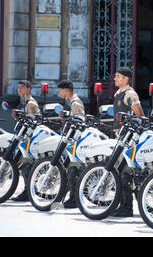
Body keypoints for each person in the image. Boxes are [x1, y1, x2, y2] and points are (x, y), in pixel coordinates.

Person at [112, 66, 144, 217]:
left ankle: (127, 207)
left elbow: (139, 115)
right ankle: (121, 205)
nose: (114, 78)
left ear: (125, 78)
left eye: (117, 76)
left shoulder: (129, 94)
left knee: (125, 174)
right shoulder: (118, 93)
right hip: (119, 137)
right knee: (118, 172)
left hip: (127, 140)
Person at [56, 80, 85, 208]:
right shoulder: (69, 102)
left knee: (73, 170)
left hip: (74, 141)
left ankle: (74, 199)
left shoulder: (75, 103)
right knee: (68, 168)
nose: (59, 93)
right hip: (69, 140)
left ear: (66, 90)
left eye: (60, 90)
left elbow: (80, 122)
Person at [12, 80, 41, 201]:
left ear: (28, 89)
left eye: (21, 88)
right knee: (22, 164)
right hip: (22, 137)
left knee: (25, 164)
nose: (19, 90)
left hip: (29, 138)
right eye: (18, 88)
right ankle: (29, 190)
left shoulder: (31, 103)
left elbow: (35, 120)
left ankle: (28, 192)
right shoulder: (23, 102)